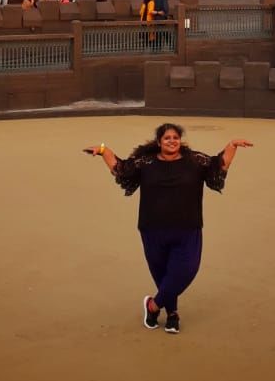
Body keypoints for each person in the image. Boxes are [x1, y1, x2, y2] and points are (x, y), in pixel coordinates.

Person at [84, 123, 253, 333]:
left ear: (180, 141)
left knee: (187, 270)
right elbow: (121, 169)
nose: (172, 141)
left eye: (175, 137)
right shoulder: (145, 163)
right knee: (163, 274)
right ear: (159, 142)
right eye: (167, 138)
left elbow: (218, 166)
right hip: (152, 229)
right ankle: (172, 314)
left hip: (188, 228)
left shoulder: (195, 161)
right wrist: (103, 150)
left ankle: (152, 306)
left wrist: (232, 146)